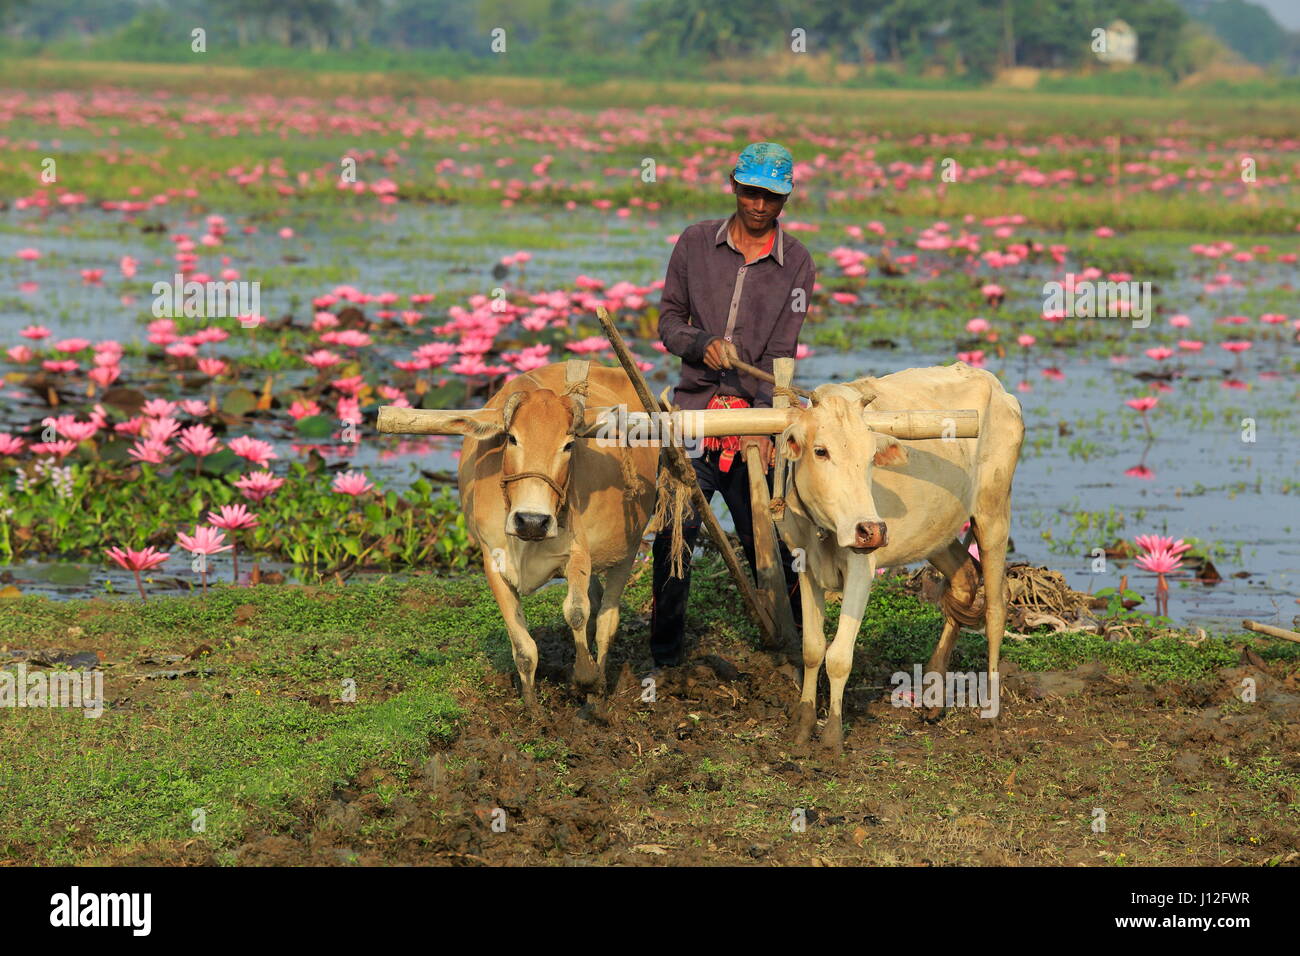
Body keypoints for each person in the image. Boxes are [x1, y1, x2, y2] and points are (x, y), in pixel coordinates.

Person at [651, 141, 815, 668]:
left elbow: (780, 353)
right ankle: (665, 654)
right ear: (733, 185)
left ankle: (796, 644)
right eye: (751, 192)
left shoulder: (798, 266)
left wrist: (762, 428)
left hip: (755, 419)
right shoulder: (695, 243)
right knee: (675, 534)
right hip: (694, 415)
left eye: (771, 196)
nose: (759, 205)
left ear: (785, 199)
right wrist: (702, 344)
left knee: (773, 544)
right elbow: (670, 323)